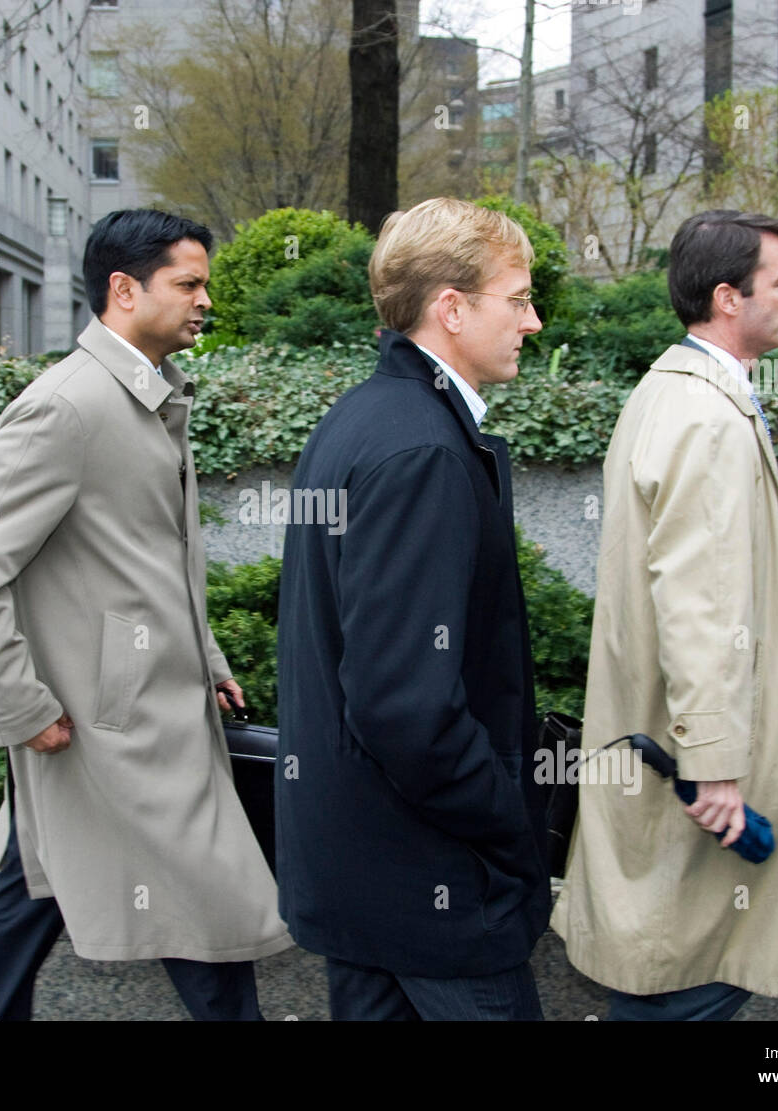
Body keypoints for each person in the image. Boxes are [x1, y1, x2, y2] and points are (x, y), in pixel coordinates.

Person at [0, 208, 292, 1022]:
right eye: (189, 283)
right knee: (206, 905)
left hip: (131, 714)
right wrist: (21, 707)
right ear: (125, 289)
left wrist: (207, 660)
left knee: (39, 875)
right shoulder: (68, 405)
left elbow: (152, 558)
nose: (205, 300)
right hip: (111, 725)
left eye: (206, 283)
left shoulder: (140, 394)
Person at [275, 197, 551, 1021]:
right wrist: (509, 817)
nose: (532, 321)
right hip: (432, 878)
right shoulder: (422, 447)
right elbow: (404, 704)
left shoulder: (362, 418)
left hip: (365, 871)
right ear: (452, 308)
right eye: (518, 298)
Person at [551, 210, 778, 1020]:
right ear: (729, 298)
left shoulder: (678, 393)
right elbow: (701, 602)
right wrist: (716, 763)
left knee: (681, 958)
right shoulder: (704, 416)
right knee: (695, 969)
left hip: (679, 738)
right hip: (697, 752)